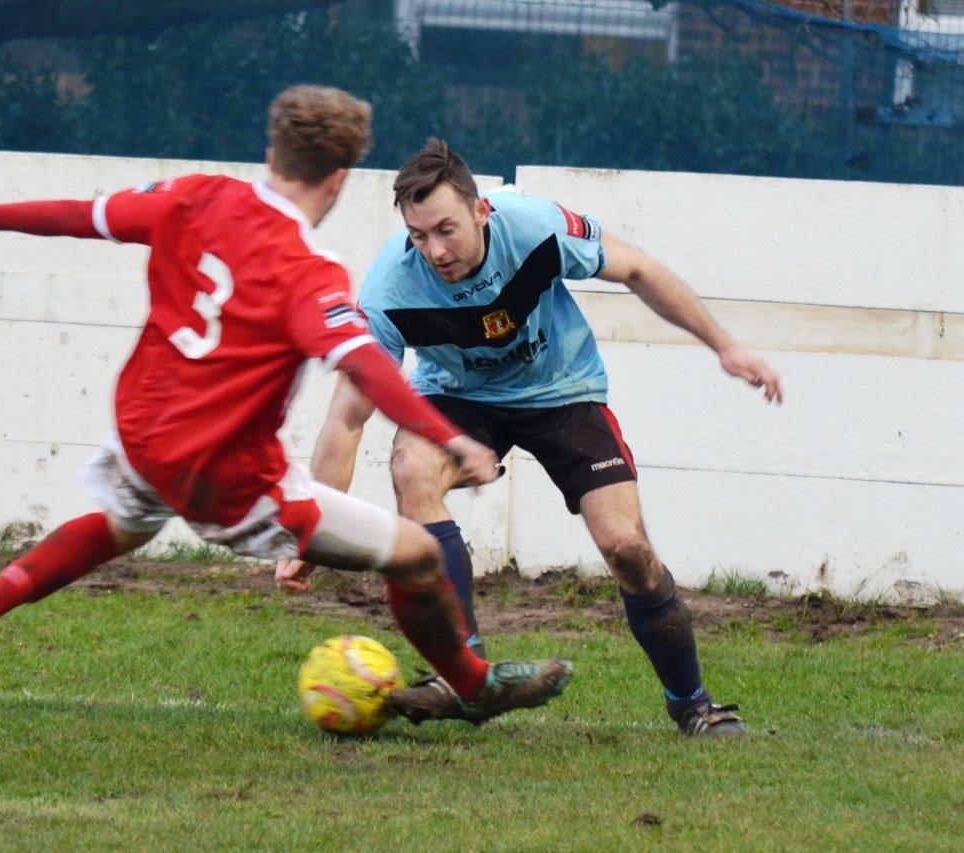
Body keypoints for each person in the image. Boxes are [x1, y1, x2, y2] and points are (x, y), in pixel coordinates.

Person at [0, 87, 573, 725]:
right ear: (338, 180)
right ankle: (474, 684)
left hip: (145, 433)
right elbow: (364, 364)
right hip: (227, 478)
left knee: (121, 524)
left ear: (270, 154)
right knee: (417, 555)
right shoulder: (308, 272)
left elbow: (84, 216)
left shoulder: (192, 196)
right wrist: (445, 435)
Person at [277, 139, 783, 737]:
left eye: (446, 229)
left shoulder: (537, 226)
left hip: (563, 391)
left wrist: (724, 345)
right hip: (460, 400)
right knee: (413, 469)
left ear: (481, 211)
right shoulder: (392, 288)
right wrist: (311, 535)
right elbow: (346, 417)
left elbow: (639, 268)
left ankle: (693, 704)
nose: (434, 251)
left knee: (627, 548)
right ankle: (461, 676)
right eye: (418, 235)